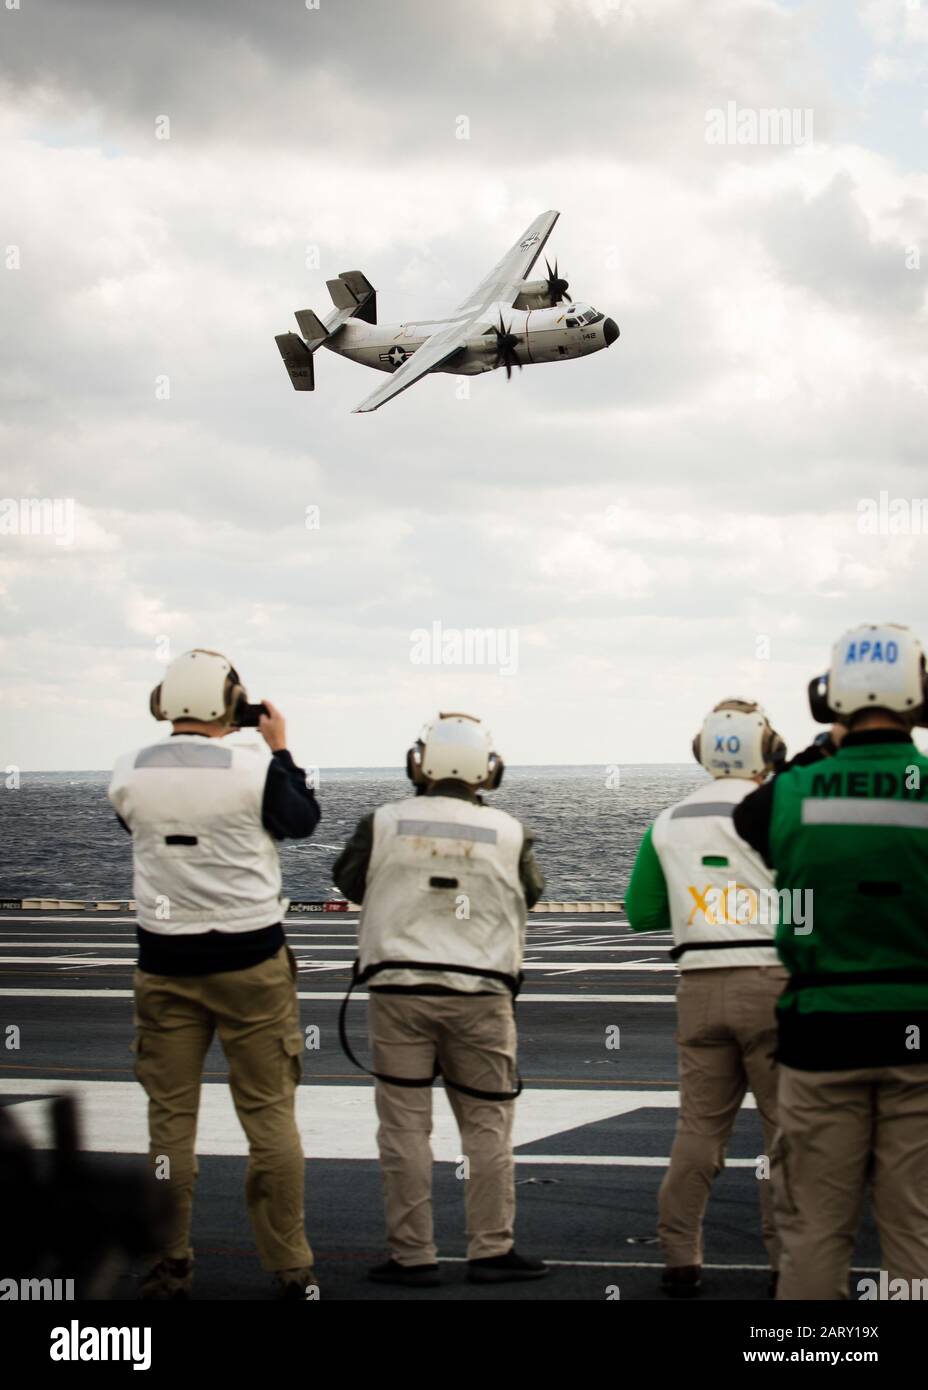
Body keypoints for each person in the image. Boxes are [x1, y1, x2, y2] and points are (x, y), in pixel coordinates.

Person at [108, 648, 320, 1300]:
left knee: (169, 1122)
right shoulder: (254, 767)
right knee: (270, 1120)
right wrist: (280, 750)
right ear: (231, 703)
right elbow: (302, 821)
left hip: (164, 962)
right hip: (250, 960)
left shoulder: (128, 771)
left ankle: (169, 1265)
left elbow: (133, 822)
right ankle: (290, 1269)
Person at [734, 623, 928, 1301]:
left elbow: (755, 816)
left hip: (822, 1029)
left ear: (828, 700)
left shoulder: (789, 794)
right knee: (916, 1230)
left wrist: (822, 752)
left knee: (816, 1225)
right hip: (919, 1029)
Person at [333, 711, 547, 1287]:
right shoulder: (510, 831)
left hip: (398, 992)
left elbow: (349, 881)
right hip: (481, 996)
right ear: (490, 771)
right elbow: (533, 891)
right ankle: (491, 1249)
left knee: (404, 1127)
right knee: (488, 1125)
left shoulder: (381, 823)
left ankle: (412, 1256)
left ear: (418, 764)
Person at [625, 699, 789, 1298]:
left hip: (698, 986)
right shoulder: (781, 811)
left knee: (698, 1132)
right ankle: (788, 1265)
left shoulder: (668, 822)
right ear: (768, 750)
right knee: (787, 1137)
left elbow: (641, 912)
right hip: (774, 982)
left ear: (702, 751)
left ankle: (681, 1259)